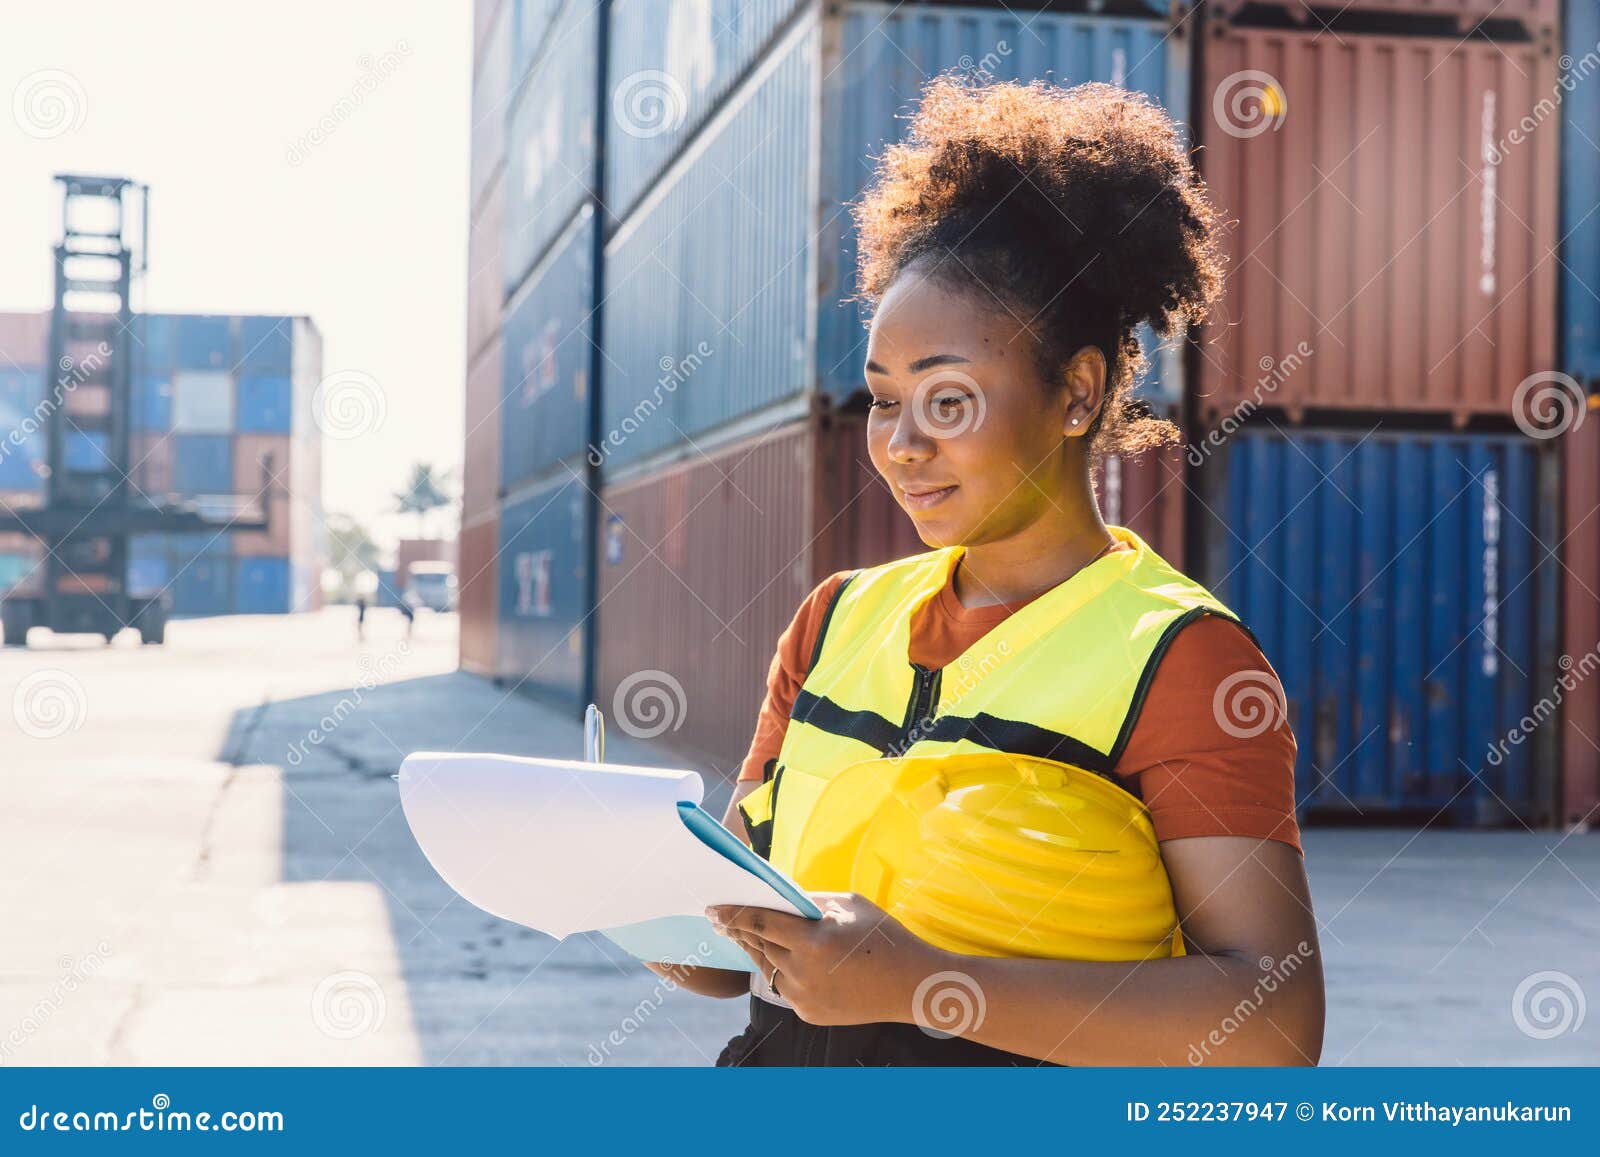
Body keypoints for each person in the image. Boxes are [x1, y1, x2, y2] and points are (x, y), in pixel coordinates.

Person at [647, 78, 1323, 1066]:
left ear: (1077, 392)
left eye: (948, 400)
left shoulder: (1181, 659)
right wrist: (625, 890)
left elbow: (1272, 1024)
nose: (902, 444)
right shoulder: (833, 620)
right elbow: (721, 955)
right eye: (882, 400)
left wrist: (921, 985)